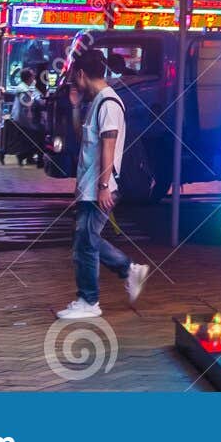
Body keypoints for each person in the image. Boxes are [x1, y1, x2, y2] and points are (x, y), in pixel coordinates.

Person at [56, 50, 148, 320]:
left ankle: (89, 301)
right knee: (87, 239)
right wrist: (75, 106)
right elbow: (83, 139)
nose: (74, 83)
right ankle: (129, 269)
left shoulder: (108, 103)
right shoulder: (97, 102)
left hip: (99, 187)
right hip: (90, 186)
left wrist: (104, 185)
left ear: (81, 74)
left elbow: (109, 145)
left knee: (84, 244)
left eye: (74, 78)